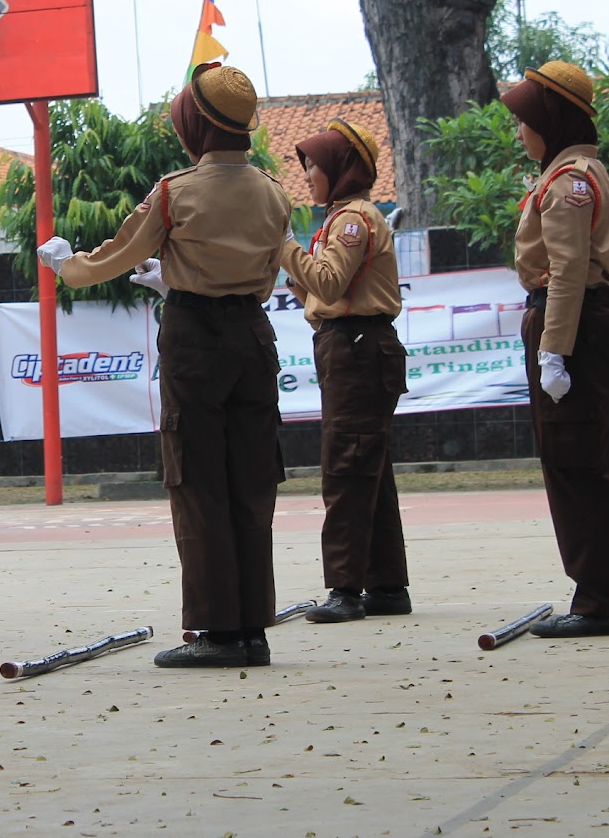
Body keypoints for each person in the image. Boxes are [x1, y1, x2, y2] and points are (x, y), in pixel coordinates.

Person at [38, 63, 291, 668]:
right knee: (251, 483)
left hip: (195, 341)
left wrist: (65, 264)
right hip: (253, 338)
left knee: (199, 483)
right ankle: (252, 629)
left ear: (195, 125)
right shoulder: (273, 191)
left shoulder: (177, 190)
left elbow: (118, 255)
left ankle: (212, 630)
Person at [502, 61, 609, 638]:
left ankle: (599, 601)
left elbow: (567, 272)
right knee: (588, 462)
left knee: (577, 463)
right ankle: (600, 593)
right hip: (584, 321)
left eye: (526, 121)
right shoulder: (574, 172)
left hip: (575, 324)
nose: (520, 133)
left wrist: (553, 351)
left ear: (550, 122)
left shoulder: (567, 182)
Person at [279, 120, 411, 624]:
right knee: (369, 471)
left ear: (339, 168)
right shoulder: (342, 217)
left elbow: (330, 285)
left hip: (357, 347)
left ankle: (345, 589)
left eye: (314, 164)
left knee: (347, 468)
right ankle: (385, 585)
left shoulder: (353, 219)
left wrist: (284, 244)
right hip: (353, 347)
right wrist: (295, 264)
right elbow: (318, 290)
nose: (308, 174)